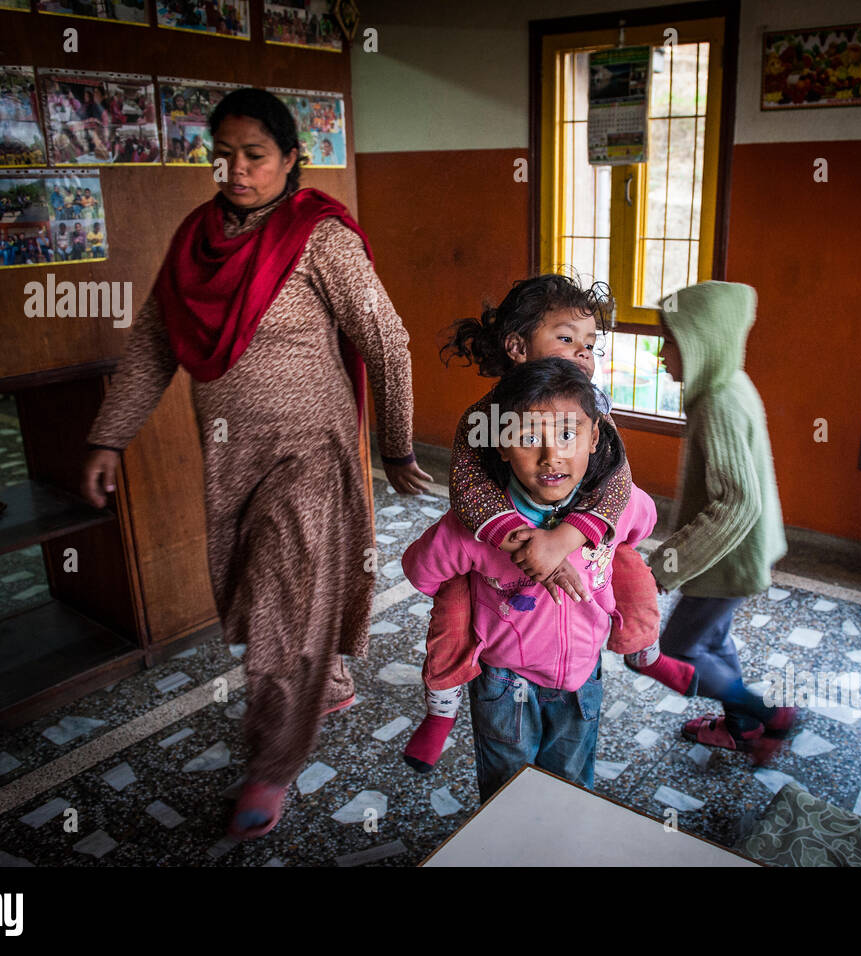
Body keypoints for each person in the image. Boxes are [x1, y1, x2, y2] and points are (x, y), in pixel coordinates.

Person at [80, 87, 429, 839]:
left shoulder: (318, 237)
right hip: (231, 457)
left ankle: (270, 766)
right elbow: (152, 344)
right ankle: (327, 677)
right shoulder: (195, 239)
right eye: (225, 153)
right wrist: (108, 438)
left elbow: (387, 341)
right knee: (270, 587)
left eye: (256, 154)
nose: (237, 169)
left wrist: (396, 447)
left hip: (310, 450)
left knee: (276, 600)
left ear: (291, 159)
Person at [401, 274, 696, 773]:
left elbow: (618, 482)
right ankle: (442, 703)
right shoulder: (485, 416)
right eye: (566, 338)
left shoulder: (593, 406)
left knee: (629, 566)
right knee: (453, 596)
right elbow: (468, 491)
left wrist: (565, 538)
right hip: (493, 554)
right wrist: (521, 543)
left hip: (581, 580)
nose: (582, 353)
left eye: (589, 344)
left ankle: (644, 647)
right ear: (518, 346)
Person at [403, 358, 657, 800]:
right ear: (501, 446)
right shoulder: (477, 526)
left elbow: (642, 525)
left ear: (595, 438)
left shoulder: (618, 503)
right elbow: (421, 571)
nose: (551, 455)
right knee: (508, 789)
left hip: (582, 676)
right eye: (527, 438)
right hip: (505, 681)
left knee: (571, 785)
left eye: (566, 434)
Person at [647, 281, 798, 763]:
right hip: (737, 554)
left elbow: (736, 503)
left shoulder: (716, 402)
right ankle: (744, 728)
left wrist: (665, 567)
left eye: (669, 340)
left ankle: (766, 711)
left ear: (701, 342)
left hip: (726, 558)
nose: (661, 352)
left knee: (673, 648)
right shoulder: (729, 382)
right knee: (711, 638)